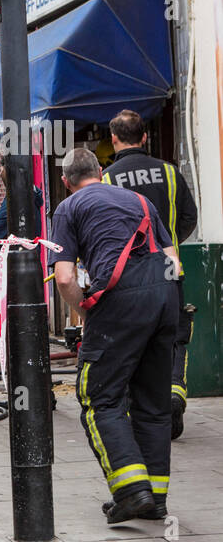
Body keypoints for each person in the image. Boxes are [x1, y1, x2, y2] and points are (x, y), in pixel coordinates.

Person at [50, 147, 180, 523]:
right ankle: (155, 498)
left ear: (65, 182)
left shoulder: (68, 209)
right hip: (165, 295)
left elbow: (63, 277)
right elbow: (172, 258)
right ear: (101, 171)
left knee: (100, 398)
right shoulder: (139, 200)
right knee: (153, 404)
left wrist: (85, 308)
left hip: (120, 301)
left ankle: (130, 490)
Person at [100, 110, 198, 440]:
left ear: (114, 139)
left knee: (133, 340)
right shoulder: (170, 174)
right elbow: (188, 218)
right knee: (172, 338)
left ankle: (142, 408)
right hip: (170, 270)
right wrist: (167, 242)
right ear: (144, 137)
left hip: (130, 276)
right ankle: (173, 394)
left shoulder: (109, 179)